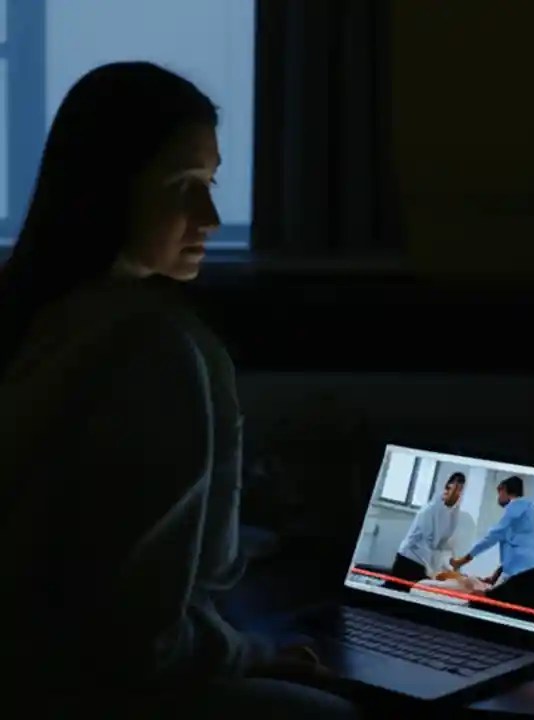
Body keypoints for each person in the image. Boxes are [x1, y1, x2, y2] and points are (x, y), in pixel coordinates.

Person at [0, 62, 360, 717]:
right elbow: (139, 642)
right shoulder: (153, 348)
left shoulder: (35, 314)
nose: (211, 216)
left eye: (211, 183)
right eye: (183, 187)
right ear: (109, 190)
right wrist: (251, 653)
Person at [449, 476, 534, 620]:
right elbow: (512, 548)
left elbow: (493, 536)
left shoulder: (516, 505)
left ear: (504, 490)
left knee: (483, 602)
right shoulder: (526, 510)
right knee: (521, 617)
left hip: (529, 575)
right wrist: (494, 577)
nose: (498, 497)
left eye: (499, 492)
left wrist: (462, 561)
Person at [383, 472, 466, 592]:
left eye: (460, 490)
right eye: (455, 488)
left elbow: (443, 543)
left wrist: (449, 566)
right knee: (393, 591)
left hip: (424, 562)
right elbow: (427, 541)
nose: (457, 494)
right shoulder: (429, 510)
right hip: (409, 557)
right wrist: (432, 570)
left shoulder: (453, 515)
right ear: (447, 488)